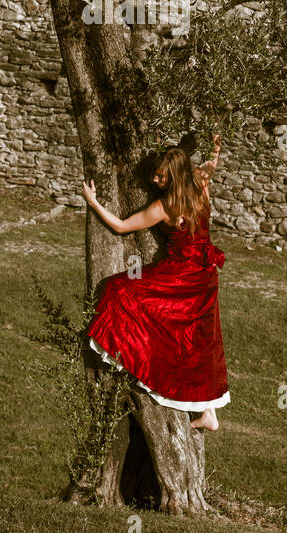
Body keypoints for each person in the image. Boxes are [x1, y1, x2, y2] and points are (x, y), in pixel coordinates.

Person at [80, 133, 229, 431]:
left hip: (181, 274)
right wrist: (216, 143)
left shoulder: (166, 206)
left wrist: (93, 202)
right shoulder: (200, 184)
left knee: (119, 290)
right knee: (200, 340)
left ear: (173, 176)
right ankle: (209, 412)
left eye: (161, 176)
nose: (156, 180)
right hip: (206, 274)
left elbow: (122, 226)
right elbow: (212, 163)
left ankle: (135, 360)